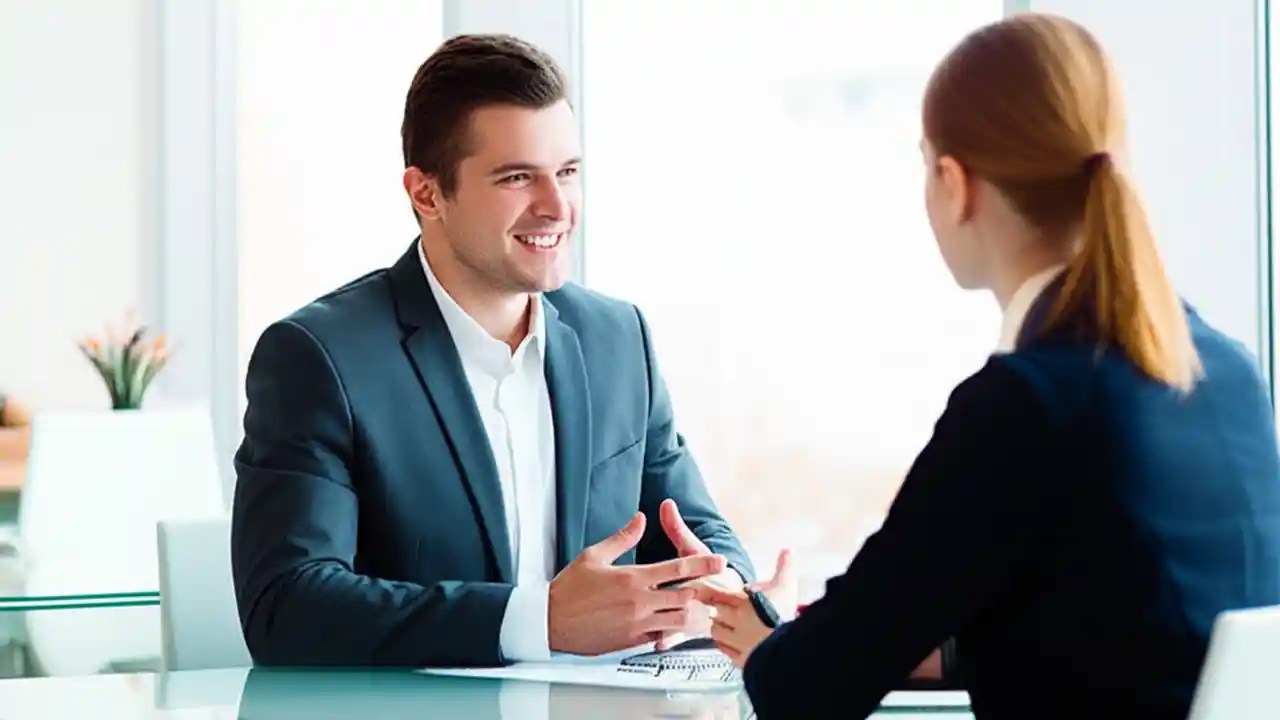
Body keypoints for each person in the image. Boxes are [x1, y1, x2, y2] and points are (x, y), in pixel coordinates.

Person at [696, 13, 1280, 719]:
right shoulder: (1230, 373)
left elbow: (808, 689)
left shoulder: (1028, 404)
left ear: (954, 182)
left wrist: (769, 646)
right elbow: (1124, 628)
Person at [231, 34, 753, 668]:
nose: (557, 207)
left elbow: (699, 535)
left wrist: (729, 591)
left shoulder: (619, 339)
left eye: (567, 172)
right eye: (516, 178)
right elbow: (287, 607)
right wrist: (540, 622)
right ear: (427, 194)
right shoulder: (319, 358)